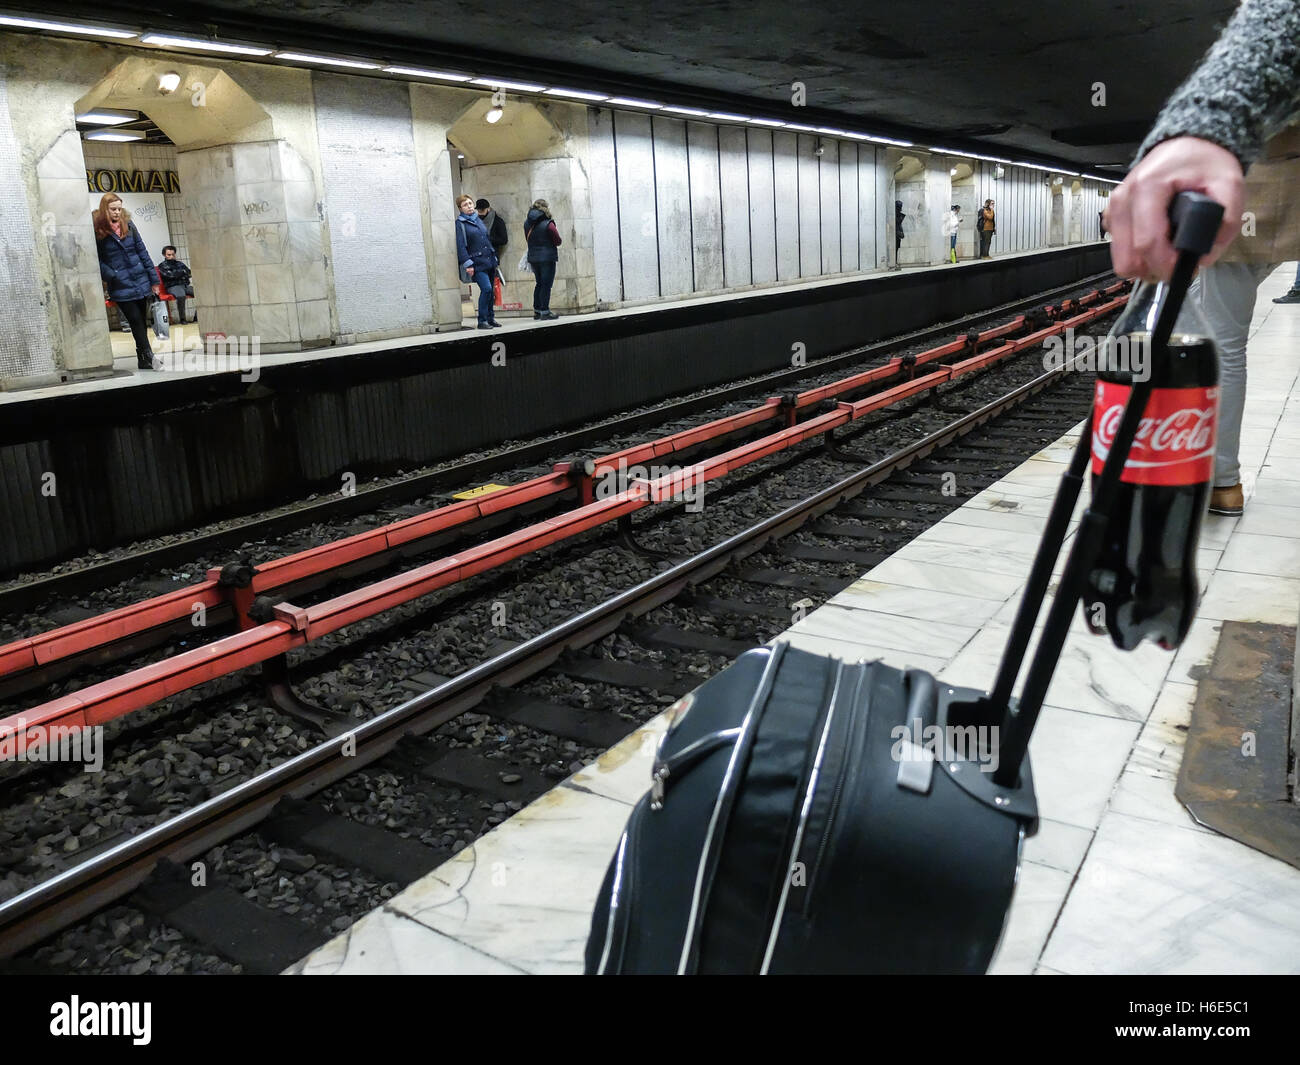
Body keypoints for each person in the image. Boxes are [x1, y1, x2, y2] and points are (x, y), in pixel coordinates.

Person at [1104, 0, 1300, 517]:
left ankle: (1222, 481)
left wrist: (1209, 122)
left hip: (1251, 189)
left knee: (1223, 341)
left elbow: (1280, 30)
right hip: (1277, 195)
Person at [92, 193, 161, 370]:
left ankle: (143, 358)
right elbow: (94, 257)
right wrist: (110, 274)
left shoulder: (129, 225)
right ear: (104, 209)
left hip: (140, 279)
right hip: (120, 283)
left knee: (141, 321)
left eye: (119, 208)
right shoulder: (98, 230)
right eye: (113, 209)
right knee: (135, 321)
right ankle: (149, 356)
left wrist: (154, 279)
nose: (116, 212)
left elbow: (142, 250)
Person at [455, 193, 501, 329]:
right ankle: (482, 320)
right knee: (486, 289)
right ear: (460, 208)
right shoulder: (460, 224)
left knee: (491, 290)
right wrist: (467, 264)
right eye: (465, 205)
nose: (469, 206)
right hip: (476, 262)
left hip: (489, 260)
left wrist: (494, 256)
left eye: (470, 203)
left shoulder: (478, 220)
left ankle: (490, 318)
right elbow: (461, 245)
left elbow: (487, 239)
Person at [524, 198, 563, 320]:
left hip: (533, 257)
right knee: (546, 285)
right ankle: (545, 312)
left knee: (539, 283)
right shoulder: (549, 224)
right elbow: (558, 241)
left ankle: (537, 310)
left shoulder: (527, 223)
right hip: (547, 258)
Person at [157, 245, 193, 324]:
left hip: (184, 285)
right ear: (164, 255)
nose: (171, 256)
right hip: (173, 286)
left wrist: (178, 274)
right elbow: (169, 276)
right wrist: (182, 273)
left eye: (173, 254)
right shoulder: (162, 266)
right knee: (181, 296)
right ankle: (182, 319)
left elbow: (189, 273)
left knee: (200, 293)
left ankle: (196, 316)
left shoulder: (180, 263)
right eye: (169, 255)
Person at [476, 199, 509, 264]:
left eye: (482, 210)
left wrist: (488, 239)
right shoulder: (476, 220)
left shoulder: (497, 221)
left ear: (488, 209)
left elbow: (504, 240)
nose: (480, 213)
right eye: (478, 211)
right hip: (478, 256)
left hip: (491, 256)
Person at [895, 199, 906, 267]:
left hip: (897, 234)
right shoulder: (895, 215)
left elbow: (899, 224)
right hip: (894, 234)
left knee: (896, 249)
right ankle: (894, 262)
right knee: (895, 249)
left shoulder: (899, 215)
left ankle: (895, 262)